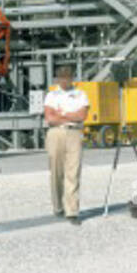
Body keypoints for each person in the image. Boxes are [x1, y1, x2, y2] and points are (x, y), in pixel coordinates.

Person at [44, 65, 89, 224]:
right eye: (61, 77)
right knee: (56, 171)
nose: (64, 80)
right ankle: (58, 206)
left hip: (74, 133)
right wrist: (71, 116)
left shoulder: (80, 95)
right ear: (57, 79)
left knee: (73, 171)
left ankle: (72, 211)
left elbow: (82, 115)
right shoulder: (51, 95)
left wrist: (62, 114)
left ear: (72, 78)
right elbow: (50, 118)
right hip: (55, 133)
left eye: (67, 77)